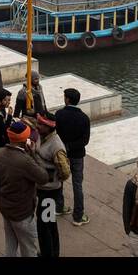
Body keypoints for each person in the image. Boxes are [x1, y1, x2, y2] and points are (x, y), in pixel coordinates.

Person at [0, 119, 48, 257]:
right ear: (25, 139)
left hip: (5, 207)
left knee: (10, 245)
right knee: (29, 249)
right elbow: (44, 177)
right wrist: (34, 154)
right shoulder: (25, 161)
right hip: (22, 213)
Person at [34, 111, 70, 258]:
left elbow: (65, 172)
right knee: (50, 223)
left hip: (49, 192)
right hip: (43, 189)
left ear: (49, 127)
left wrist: (53, 179)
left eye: (41, 124)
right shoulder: (42, 137)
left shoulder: (56, 146)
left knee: (44, 226)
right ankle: (53, 252)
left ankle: (48, 254)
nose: (38, 126)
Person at [55, 87, 91, 225]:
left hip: (61, 154)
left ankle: (59, 207)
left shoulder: (59, 114)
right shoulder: (84, 118)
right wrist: (71, 146)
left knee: (59, 180)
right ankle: (78, 216)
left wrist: (64, 147)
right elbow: (85, 141)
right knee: (77, 185)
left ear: (67, 99)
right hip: (77, 155)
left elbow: (55, 134)